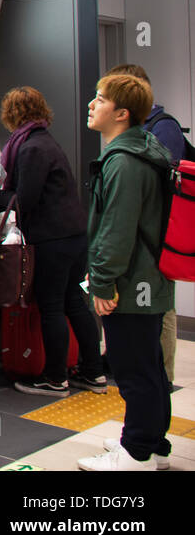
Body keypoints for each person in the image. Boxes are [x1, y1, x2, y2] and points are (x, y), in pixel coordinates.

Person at [77, 74, 174, 471]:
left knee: (133, 368)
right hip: (149, 279)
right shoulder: (144, 150)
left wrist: (102, 283)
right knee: (147, 365)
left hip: (131, 285)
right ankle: (149, 442)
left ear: (121, 113)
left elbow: (115, 231)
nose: (91, 105)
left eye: (99, 100)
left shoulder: (124, 163)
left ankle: (136, 453)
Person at [0, 87, 105, 396]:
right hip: (74, 235)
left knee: (52, 307)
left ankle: (56, 378)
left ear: (12, 113)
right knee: (74, 302)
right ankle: (93, 373)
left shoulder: (30, 148)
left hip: (52, 239)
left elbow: (25, 199)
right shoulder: (45, 141)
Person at [107, 63, 184, 387]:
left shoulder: (161, 130)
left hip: (155, 244)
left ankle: (162, 376)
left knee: (160, 312)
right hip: (146, 243)